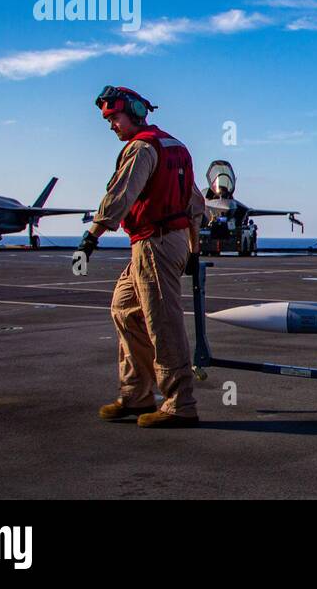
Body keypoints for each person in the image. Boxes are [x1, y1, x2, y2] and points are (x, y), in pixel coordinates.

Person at [76, 86, 205, 429]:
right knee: (125, 309)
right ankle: (136, 395)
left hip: (155, 243)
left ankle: (180, 405)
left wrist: (91, 238)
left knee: (163, 323)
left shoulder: (141, 148)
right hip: (162, 243)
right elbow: (196, 203)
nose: (111, 126)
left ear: (133, 112)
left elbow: (120, 196)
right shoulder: (174, 146)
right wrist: (193, 250)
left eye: (114, 118)